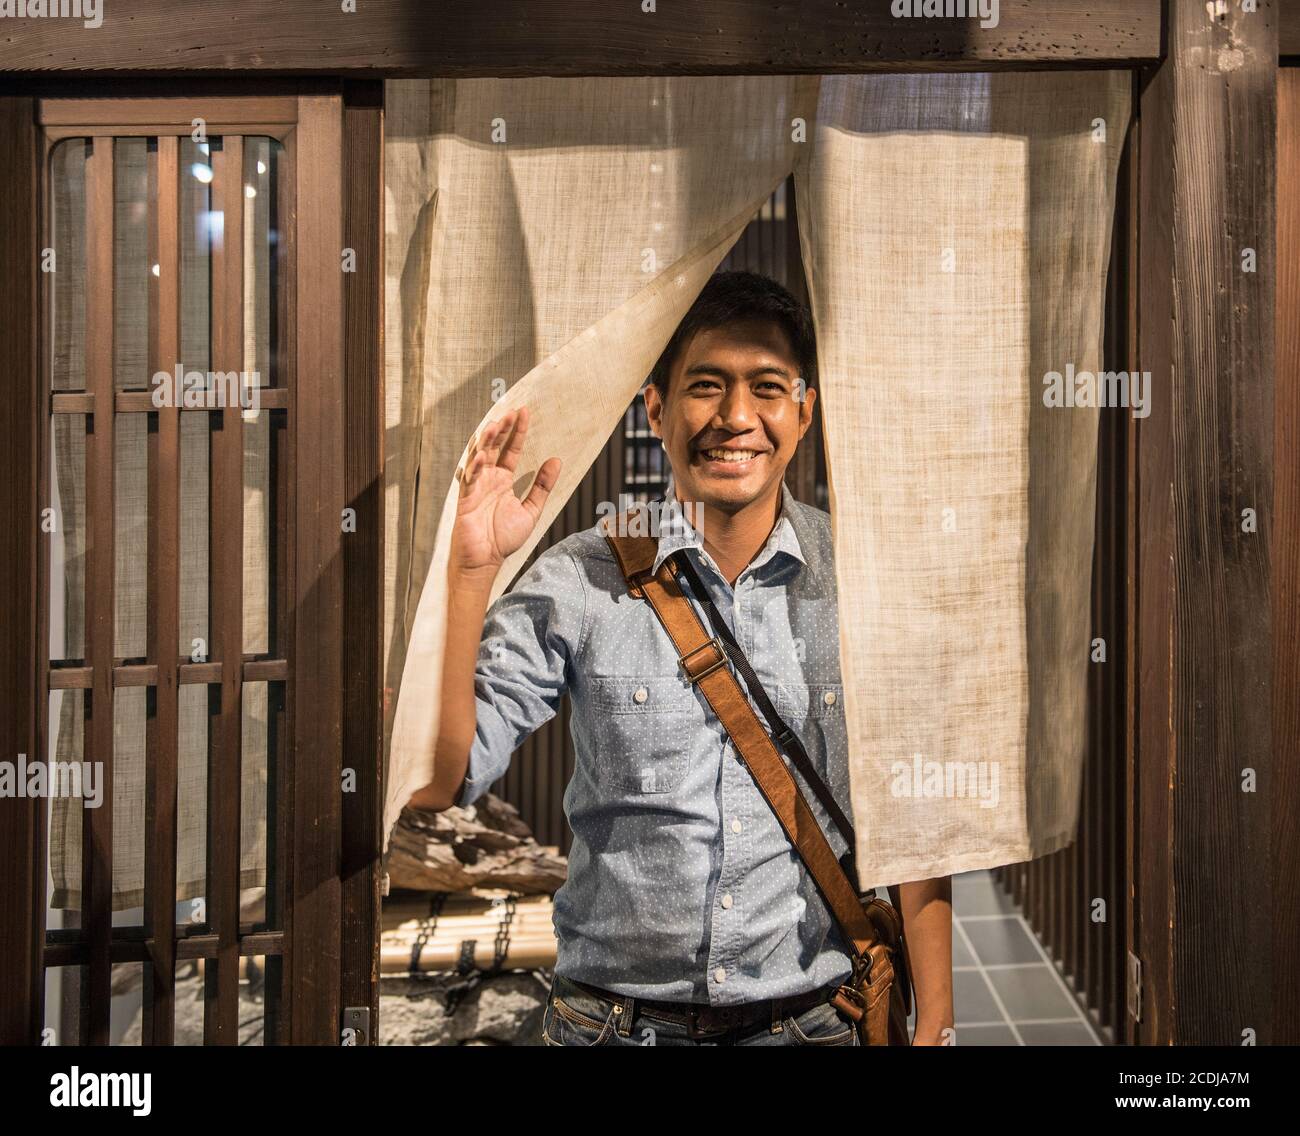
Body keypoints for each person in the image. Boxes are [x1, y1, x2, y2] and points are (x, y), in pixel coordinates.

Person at [412, 270, 954, 1046]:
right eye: (707, 385)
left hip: (812, 1021)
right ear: (657, 408)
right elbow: (440, 778)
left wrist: (934, 1019)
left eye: (767, 387)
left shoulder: (863, 578)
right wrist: (469, 573)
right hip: (612, 1024)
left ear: (805, 409)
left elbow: (915, 816)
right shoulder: (580, 578)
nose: (736, 417)